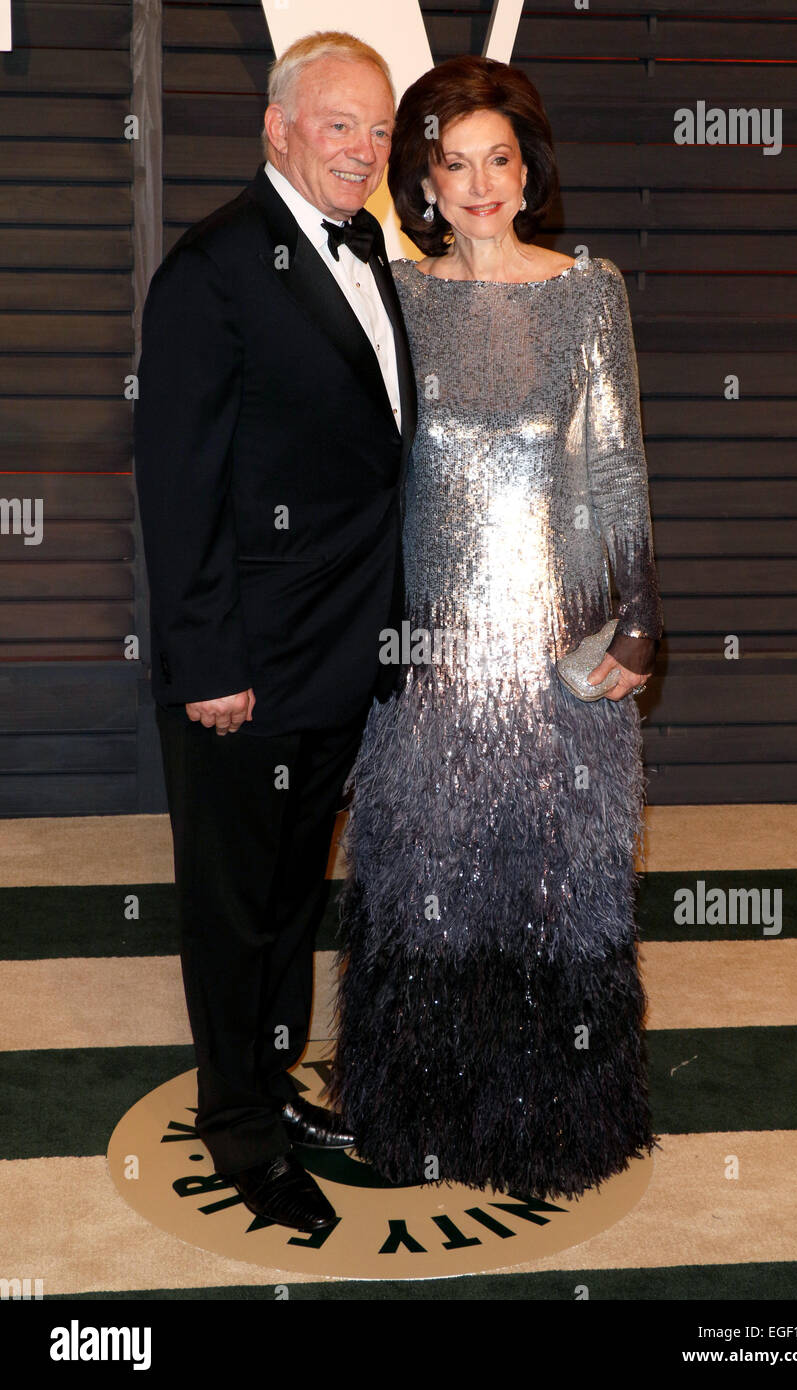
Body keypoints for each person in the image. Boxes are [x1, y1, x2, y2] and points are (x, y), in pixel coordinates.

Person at [327, 55, 664, 1198]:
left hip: (555, 656)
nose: (479, 186)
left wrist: (640, 626)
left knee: (555, 881)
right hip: (430, 660)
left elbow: (616, 471)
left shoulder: (585, 292)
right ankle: (416, 1114)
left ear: (529, 171)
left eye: (499, 161)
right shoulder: (400, 300)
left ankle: (551, 1130)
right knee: (427, 873)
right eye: (454, 164)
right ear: (423, 179)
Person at [134, 32, 416, 1232]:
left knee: (296, 895)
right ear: (278, 127)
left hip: (344, 652)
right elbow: (176, 482)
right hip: (244, 666)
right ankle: (239, 1129)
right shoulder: (212, 269)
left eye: (379, 130)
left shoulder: (373, 254)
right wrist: (209, 661)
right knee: (234, 903)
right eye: (339, 124)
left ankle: (277, 1081)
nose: (362, 149)